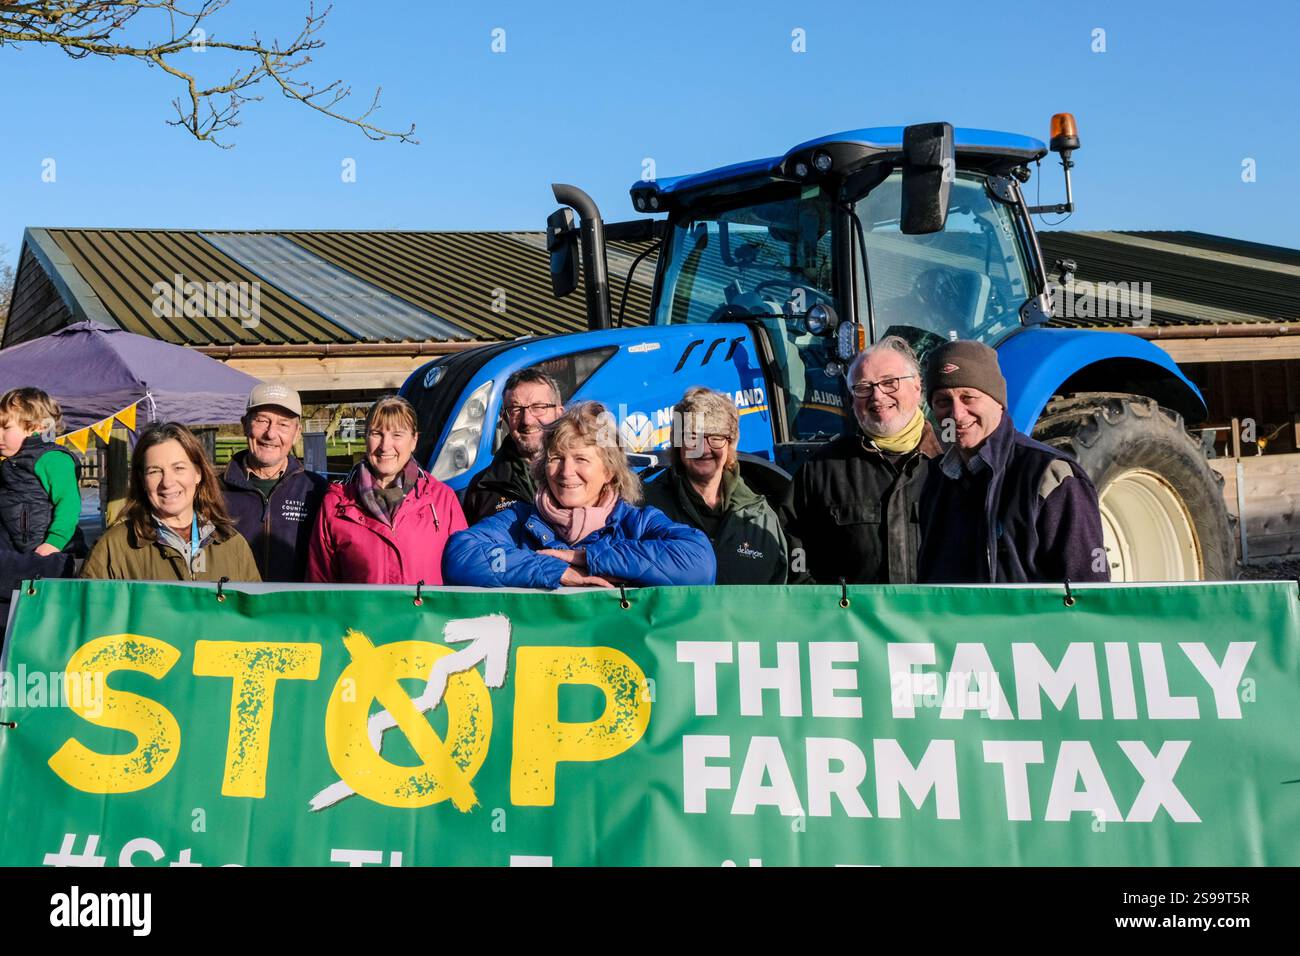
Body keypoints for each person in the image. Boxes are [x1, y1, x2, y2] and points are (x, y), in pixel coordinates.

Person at [443, 401, 716, 589]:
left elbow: (698, 562)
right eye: (556, 458)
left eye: (581, 459)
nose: (566, 471)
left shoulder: (637, 524)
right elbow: (461, 555)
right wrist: (556, 572)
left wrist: (588, 558)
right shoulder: (518, 521)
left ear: (610, 470)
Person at [917, 339, 1110, 583]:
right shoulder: (936, 477)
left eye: (968, 398)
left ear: (998, 401)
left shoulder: (1051, 476)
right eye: (943, 401)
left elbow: (1088, 591)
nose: (956, 414)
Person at [779, 336, 941, 583]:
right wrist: (829, 613)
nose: (877, 396)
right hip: (853, 620)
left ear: (917, 387)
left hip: (938, 619)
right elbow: (793, 552)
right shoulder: (820, 470)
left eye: (890, 382)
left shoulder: (953, 462)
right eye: (864, 387)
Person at [306, 396, 467, 585]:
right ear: (365, 437)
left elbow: (462, 576)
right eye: (377, 434)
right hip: (360, 615)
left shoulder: (442, 500)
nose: (385, 446)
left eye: (397, 435)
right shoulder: (336, 505)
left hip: (424, 615)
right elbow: (320, 586)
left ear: (414, 440)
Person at [81, 422, 261, 581]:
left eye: (179, 468)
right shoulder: (113, 548)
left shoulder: (233, 545)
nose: (167, 482)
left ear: (198, 473)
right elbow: (88, 615)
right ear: (142, 480)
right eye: (154, 471)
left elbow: (255, 615)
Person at [642, 387, 786, 584]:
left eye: (716, 437)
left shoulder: (761, 517)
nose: (704, 449)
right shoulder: (645, 509)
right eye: (693, 437)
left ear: (730, 444)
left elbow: (779, 595)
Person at [220, 383, 327, 581]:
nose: (270, 434)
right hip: (234, 608)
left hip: (295, 608)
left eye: (283, 424)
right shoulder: (213, 491)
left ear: (296, 433)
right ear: (245, 424)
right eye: (262, 421)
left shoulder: (318, 492)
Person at [462, 368, 565, 524]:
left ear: (560, 413)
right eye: (516, 409)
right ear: (504, 418)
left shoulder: (582, 476)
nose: (527, 420)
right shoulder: (482, 487)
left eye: (538, 407)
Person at [0, 388, 85, 559]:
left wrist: (54, 542)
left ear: (38, 427)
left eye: (5, 427)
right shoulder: (10, 464)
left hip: (53, 552)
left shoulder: (53, 459)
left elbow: (68, 503)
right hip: (18, 552)